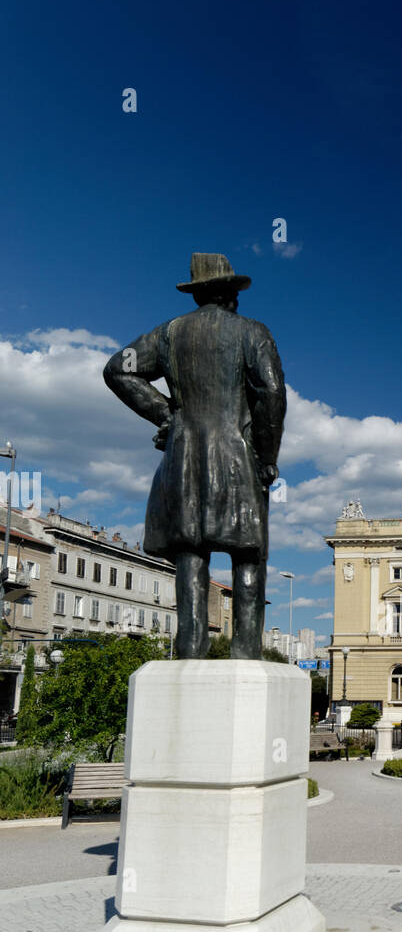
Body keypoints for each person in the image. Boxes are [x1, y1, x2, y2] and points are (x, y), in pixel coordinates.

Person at [103, 253, 286, 658]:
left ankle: (190, 645)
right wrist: (267, 455)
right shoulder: (252, 332)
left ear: (197, 294)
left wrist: (168, 415)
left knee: (190, 551)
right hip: (239, 455)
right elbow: (271, 393)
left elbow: (118, 369)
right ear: (229, 294)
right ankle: (246, 650)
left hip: (183, 454)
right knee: (248, 552)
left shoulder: (168, 334)